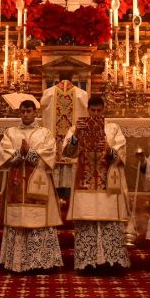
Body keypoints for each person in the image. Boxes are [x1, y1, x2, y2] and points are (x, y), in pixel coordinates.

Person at [62, 95, 130, 272]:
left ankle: (111, 263)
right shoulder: (77, 128)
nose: (96, 113)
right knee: (87, 222)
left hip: (108, 184)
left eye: (100, 110)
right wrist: (77, 134)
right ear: (88, 110)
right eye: (93, 110)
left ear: (104, 110)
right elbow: (68, 153)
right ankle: (87, 264)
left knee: (109, 223)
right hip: (85, 183)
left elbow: (121, 157)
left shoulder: (113, 129)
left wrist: (107, 149)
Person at [0, 99, 63, 273]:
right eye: (22, 111)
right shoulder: (10, 132)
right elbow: (4, 154)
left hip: (38, 185)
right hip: (17, 183)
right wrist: (20, 152)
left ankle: (41, 263)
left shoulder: (44, 133)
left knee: (39, 221)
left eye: (28, 111)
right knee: (18, 220)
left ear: (36, 113)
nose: (25, 114)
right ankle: (16, 263)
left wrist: (31, 153)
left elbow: (50, 155)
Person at [39, 71, 88, 192]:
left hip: (53, 142)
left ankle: (54, 189)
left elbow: (42, 109)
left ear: (58, 78)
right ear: (72, 78)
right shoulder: (82, 94)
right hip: (74, 144)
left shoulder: (48, 92)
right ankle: (69, 191)